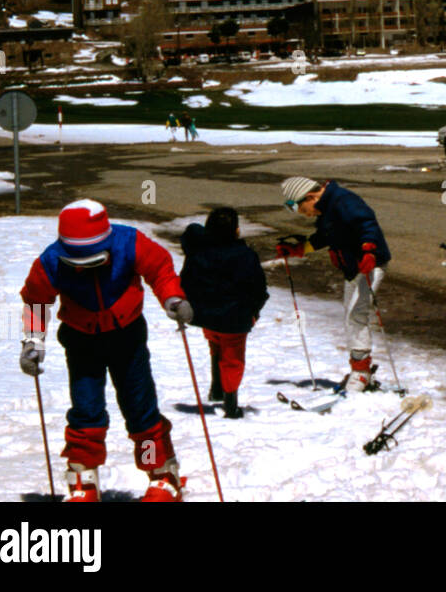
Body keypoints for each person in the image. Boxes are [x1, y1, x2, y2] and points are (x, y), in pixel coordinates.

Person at [18, 199, 192, 502]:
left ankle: (162, 475)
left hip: (127, 338)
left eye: (96, 262)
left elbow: (160, 269)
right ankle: (83, 480)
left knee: (139, 406)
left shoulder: (129, 243)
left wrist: (173, 298)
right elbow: (36, 301)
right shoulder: (51, 260)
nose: (86, 270)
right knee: (86, 409)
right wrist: (33, 342)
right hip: (81, 340)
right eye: (78, 265)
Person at [275, 177, 390, 391]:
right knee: (351, 315)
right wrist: (299, 249)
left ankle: (362, 372)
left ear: (310, 197)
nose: (306, 214)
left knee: (356, 314)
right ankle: (360, 368)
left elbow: (367, 223)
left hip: (370, 263)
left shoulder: (343, 201)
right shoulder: (327, 207)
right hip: (353, 267)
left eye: (303, 209)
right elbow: (324, 236)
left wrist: (369, 250)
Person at [179, 207, 269, 419]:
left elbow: (190, 234)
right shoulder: (245, 256)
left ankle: (216, 388)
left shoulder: (197, 250)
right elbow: (258, 288)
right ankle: (231, 403)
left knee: (215, 346)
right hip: (234, 319)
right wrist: (255, 311)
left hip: (205, 315)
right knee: (232, 359)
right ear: (237, 231)